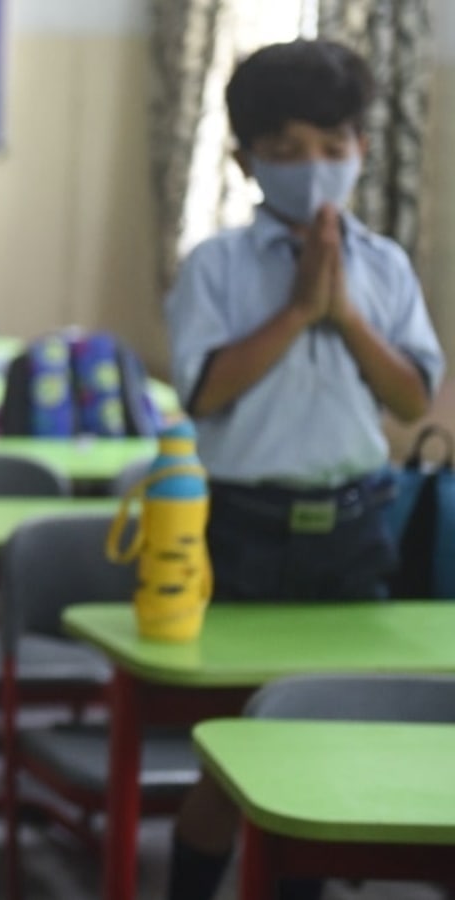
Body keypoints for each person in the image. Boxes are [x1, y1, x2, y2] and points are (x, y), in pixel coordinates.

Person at [164, 40, 444, 900]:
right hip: (243, 528)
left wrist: (343, 312)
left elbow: (409, 399)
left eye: (333, 146)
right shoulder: (215, 265)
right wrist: (297, 311)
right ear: (248, 162)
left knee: (331, 738)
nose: (315, 168)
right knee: (231, 747)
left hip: (354, 527)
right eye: (287, 152)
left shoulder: (386, 267)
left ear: (362, 146)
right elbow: (206, 390)